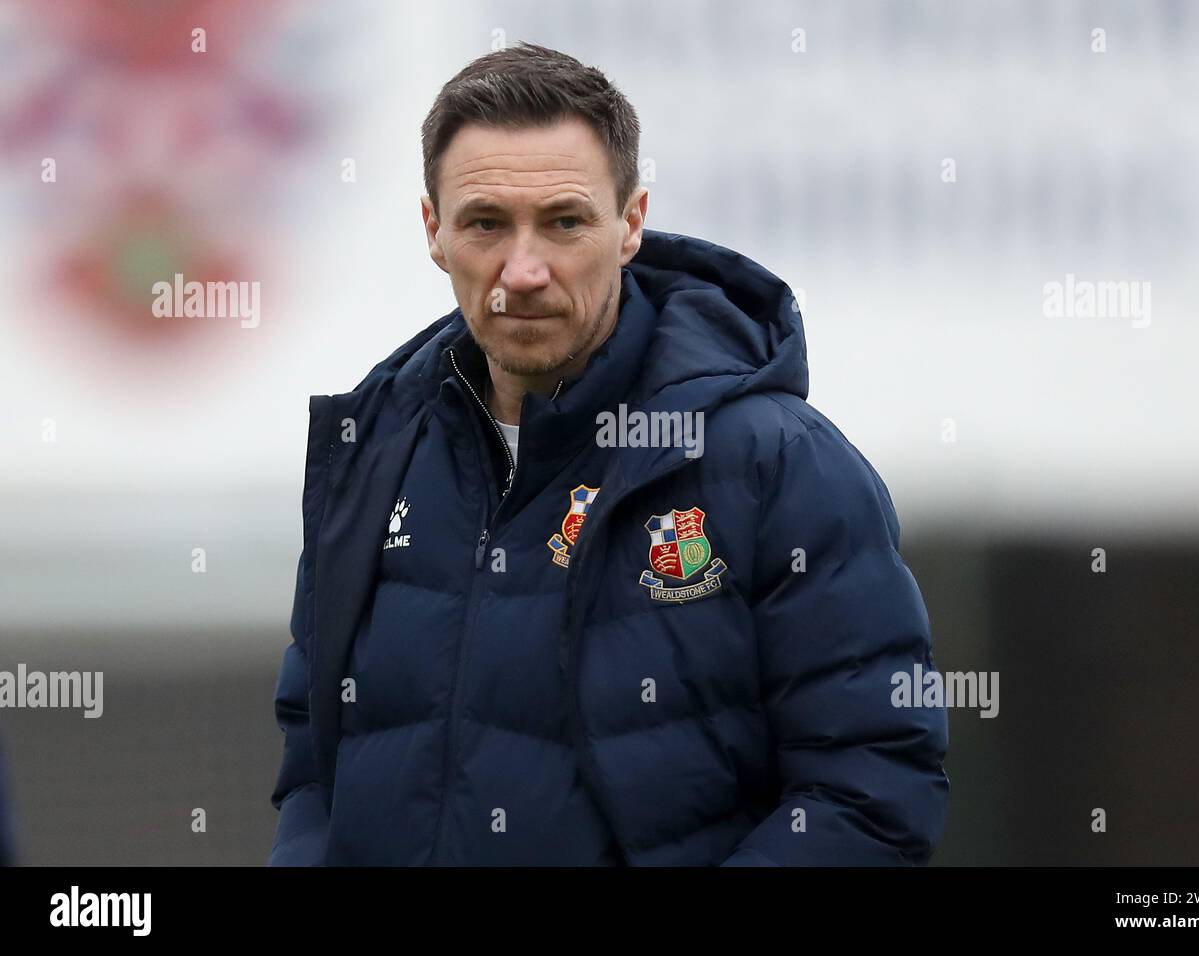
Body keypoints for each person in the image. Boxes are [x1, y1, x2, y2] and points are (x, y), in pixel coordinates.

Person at [268, 42, 948, 866]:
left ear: (630, 223)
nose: (522, 271)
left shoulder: (777, 466)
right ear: (433, 231)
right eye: (486, 223)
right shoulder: (371, 453)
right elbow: (314, 765)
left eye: (563, 222)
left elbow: (872, 793)